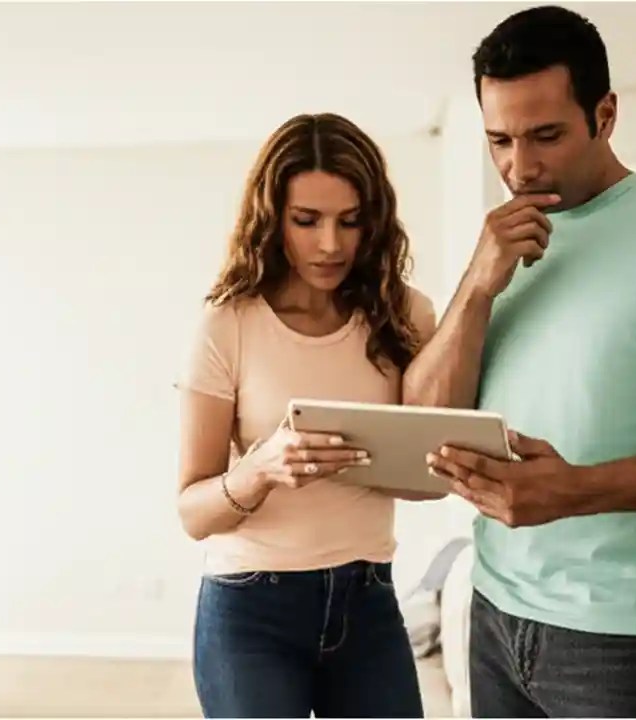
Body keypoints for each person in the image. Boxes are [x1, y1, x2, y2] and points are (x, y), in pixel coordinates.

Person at [404, 6, 636, 718]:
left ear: (605, 114)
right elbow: (425, 418)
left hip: (624, 639)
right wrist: (477, 285)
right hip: (491, 613)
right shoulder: (502, 246)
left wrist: (571, 490)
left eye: (546, 135)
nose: (520, 167)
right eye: (500, 141)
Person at [176, 112, 440, 719]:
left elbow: (430, 481)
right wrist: (261, 470)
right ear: (272, 219)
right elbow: (192, 511)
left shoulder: (405, 315)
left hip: (368, 598)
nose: (331, 243)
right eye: (307, 221)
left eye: (350, 221)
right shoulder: (227, 326)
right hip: (250, 610)